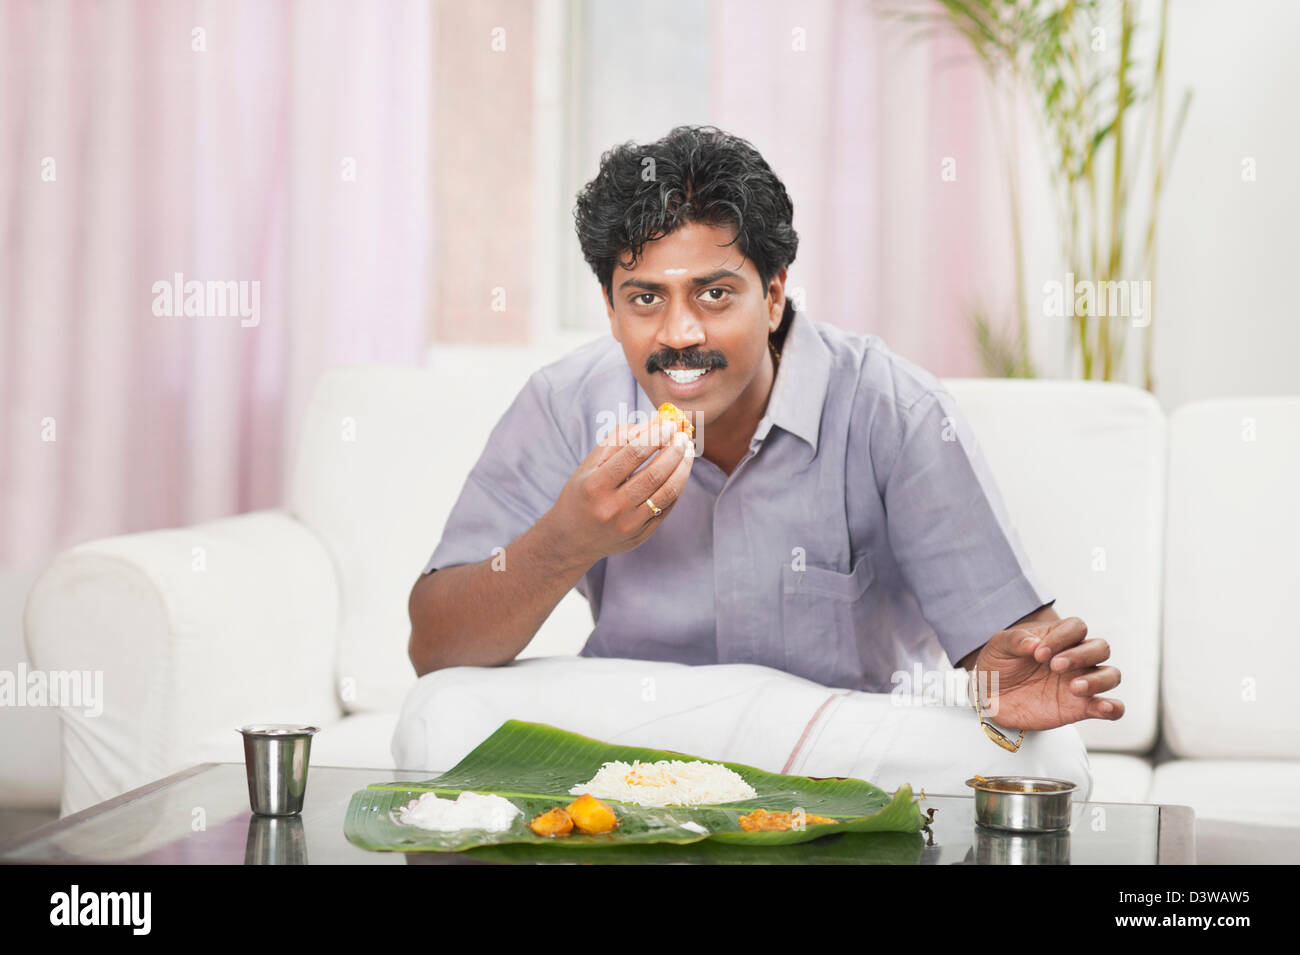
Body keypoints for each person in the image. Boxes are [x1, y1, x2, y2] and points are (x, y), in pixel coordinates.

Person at [406, 125, 1123, 764]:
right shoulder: (565, 404)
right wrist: (566, 540)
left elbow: (1008, 654)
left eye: (714, 294)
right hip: (632, 776)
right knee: (436, 715)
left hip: (836, 773)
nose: (680, 335)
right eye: (646, 298)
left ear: (775, 294)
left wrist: (1011, 677)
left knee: (1047, 761)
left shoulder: (895, 412)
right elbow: (434, 647)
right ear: (610, 308)